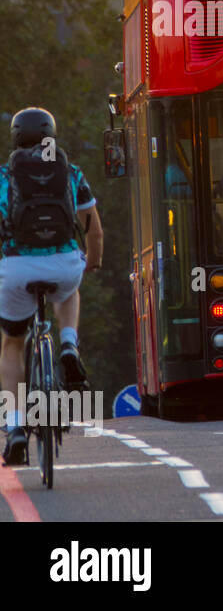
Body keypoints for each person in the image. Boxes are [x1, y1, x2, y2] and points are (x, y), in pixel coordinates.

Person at [0, 108, 103, 465]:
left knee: (12, 342)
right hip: (64, 265)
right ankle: (68, 346)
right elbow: (94, 229)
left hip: (16, 268)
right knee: (69, 289)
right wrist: (91, 262)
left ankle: (14, 428)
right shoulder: (71, 173)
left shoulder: (4, 176)